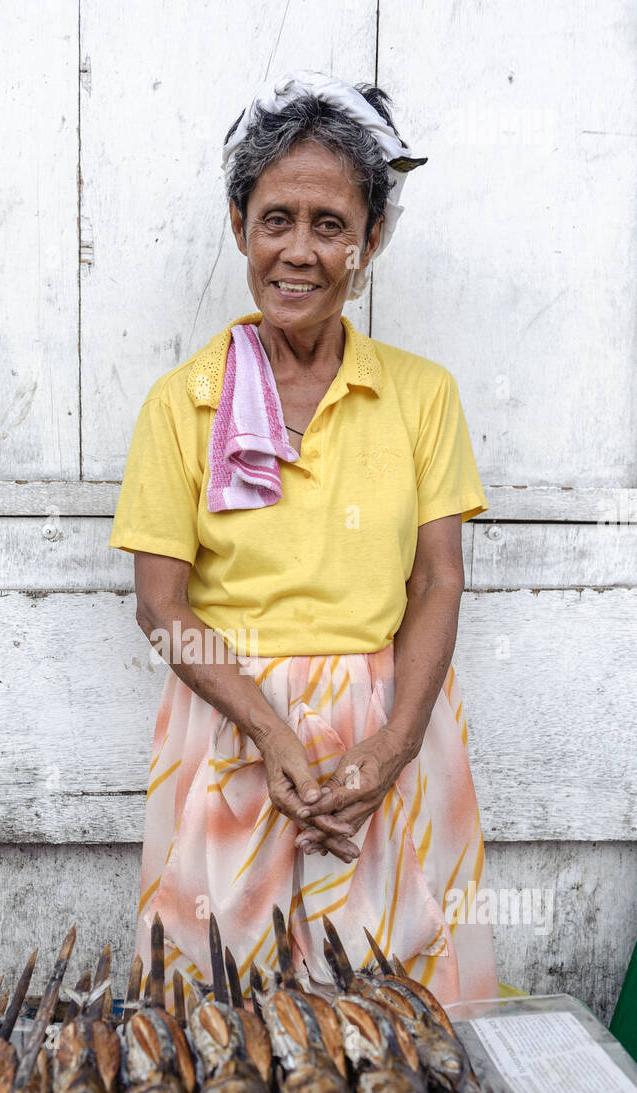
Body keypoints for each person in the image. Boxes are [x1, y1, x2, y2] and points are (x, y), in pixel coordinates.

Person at [108, 70, 497, 1006]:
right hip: (233, 730)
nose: (299, 250)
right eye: (276, 218)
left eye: (331, 224)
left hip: (387, 723)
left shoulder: (419, 394)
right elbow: (162, 601)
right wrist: (270, 729)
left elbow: (436, 583)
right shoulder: (182, 402)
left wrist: (394, 745)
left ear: (369, 241)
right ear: (239, 226)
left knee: (396, 1007)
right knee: (225, 1005)